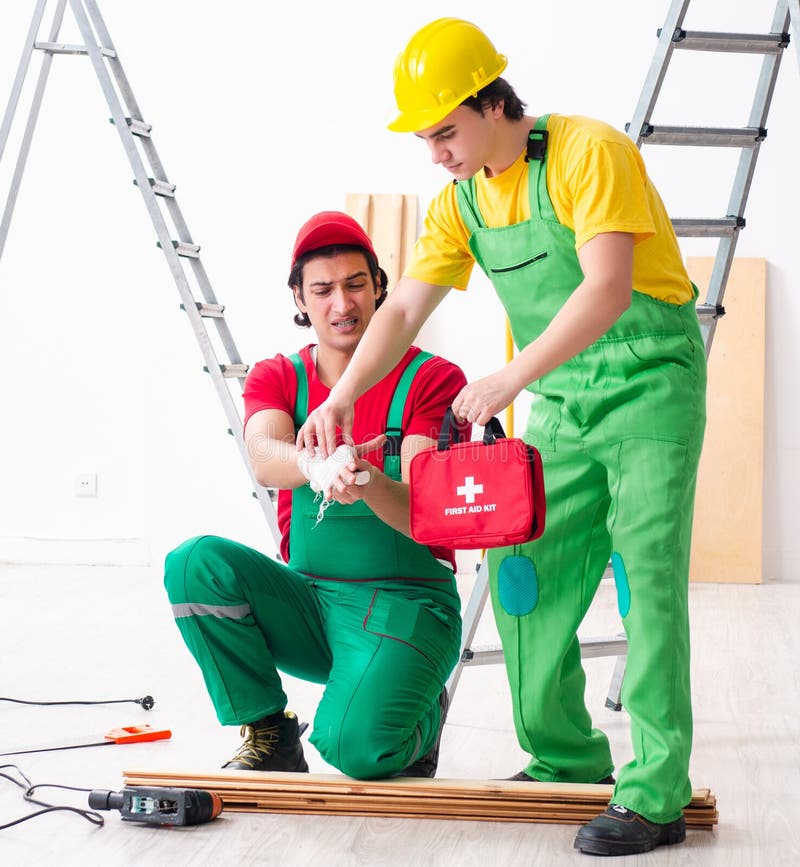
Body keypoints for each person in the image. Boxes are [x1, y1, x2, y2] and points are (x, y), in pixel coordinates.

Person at [297, 18, 707, 857]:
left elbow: (606, 287)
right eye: (427, 139)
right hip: (559, 401)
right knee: (522, 578)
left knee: (648, 578)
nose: (437, 152)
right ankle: (566, 758)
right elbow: (404, 307)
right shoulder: (463, 203)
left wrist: (509, 378)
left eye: (446, 131)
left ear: (492, 102)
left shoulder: (591, 154)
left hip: (649, 383)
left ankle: (656, 791)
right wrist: (341, 393)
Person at [164, 211, 467, 780]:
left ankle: (423, 711)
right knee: (194, 564)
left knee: (355, 752)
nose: (342, 305)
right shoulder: (279, 376)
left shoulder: (432, 380)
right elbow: (263, 456)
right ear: (300, 298)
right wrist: (313, 462)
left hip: (406, 606)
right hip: (312, 603)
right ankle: (272, 734)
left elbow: (430, 515)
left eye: (356, 284)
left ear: (380, 286)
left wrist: (369, 479)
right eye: (323, 290)